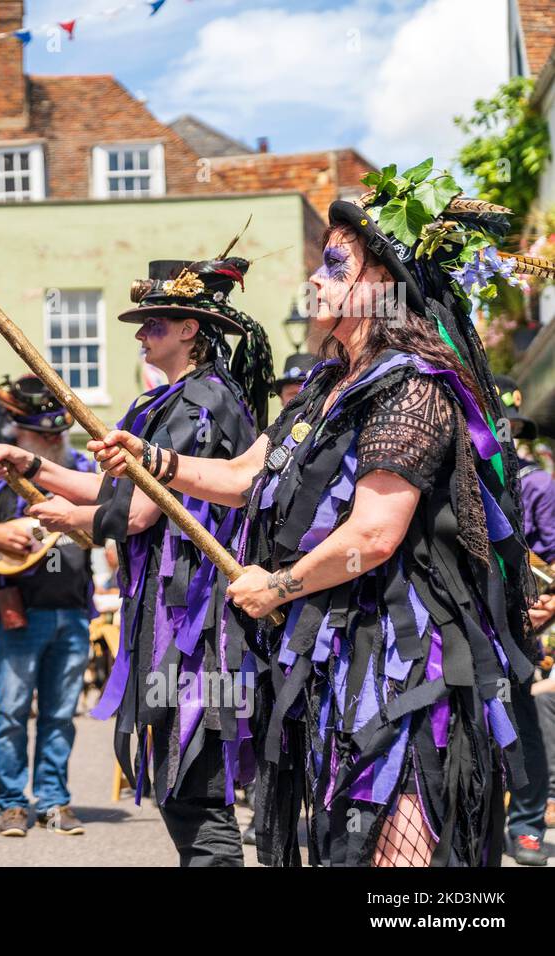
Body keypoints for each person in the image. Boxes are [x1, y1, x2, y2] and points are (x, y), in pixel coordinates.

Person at [92, 161, 542, 866]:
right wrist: (157, 463)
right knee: (342, 852)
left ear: (383, 287)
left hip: (400, 675)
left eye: (335, 266)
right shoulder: (325, 387)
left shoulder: (412, 392)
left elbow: (374, 534)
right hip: (331, 666)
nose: (315, 281)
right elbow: (246, 478)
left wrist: (277, 586)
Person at [0, 256, 274, 864]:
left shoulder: (205, 403)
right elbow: (114, 492)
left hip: (198, 623)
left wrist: (73, 523)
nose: (141, 335)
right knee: (182, 781)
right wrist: (35, 468)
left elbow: (138, 515)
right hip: (165, 619)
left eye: (154, 325)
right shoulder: (161, 404)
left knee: (196, 784)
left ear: (190, 329)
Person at [0, 374, 96, 838]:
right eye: (41, 434)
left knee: (61, 714)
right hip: (16, 611)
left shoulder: (81, 470)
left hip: (72, 608)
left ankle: (54, 801)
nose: (52, 440)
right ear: (17, 434)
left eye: (56, 433)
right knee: (11, 712)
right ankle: (11, 804)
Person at [494, 375, 554, 864]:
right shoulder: (463, 472)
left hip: (518, 621)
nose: (503, 430)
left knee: (520, 715)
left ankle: (529, 824)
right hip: (464, 616)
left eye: (509, 423)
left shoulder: (537, 483)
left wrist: (547, 604)